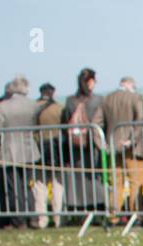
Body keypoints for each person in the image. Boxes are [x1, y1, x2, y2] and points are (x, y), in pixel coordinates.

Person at [0, 75, 41, 227]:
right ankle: (33, 217)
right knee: (28, 185)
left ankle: (18, 220)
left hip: (10, 150)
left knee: (14, 187)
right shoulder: (33, 105)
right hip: (28, 149)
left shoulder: (3, 106)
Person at [101, 76, 143, 217]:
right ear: (130, 85)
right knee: (135, 182)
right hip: (132, 148)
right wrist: (131, 140)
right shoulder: (136, 98)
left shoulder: (107, 99)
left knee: (116, 183)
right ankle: (136, 215)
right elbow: (140, 121)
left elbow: (96, 122)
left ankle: (114, 216)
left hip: (113, 147)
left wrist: (103, 144)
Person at [62, 67, 104, 213]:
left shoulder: (70, 101)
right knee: (94, 175)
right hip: (93, 143)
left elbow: (65, 121)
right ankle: (97, 204)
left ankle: (79, 206)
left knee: (78, 177)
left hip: (75, 144)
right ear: (90, 82)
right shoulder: (97, 100)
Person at [34, 83, 64, 227]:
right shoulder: (58, 108)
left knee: (40, 185)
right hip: (56, 149)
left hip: (37, 148)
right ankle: (58, 217)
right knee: (57, 184)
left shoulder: (33, 107)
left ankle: (42, 219)